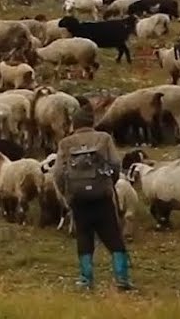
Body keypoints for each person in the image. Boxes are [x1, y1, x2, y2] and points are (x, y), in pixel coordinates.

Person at [54, 109, 132, 291]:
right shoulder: (104, 139)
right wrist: (109, 184)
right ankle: (122, 278)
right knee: (113, 236)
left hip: (78, 198)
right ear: (92, 122)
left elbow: (58, 172)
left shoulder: (66, 143)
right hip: (102, 196)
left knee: (84, 236)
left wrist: (66, 194)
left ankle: (86, 279)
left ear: (75, 124)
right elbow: (115, 164)